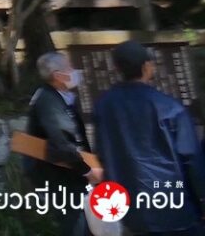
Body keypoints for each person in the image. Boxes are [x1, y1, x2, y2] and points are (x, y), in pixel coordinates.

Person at [93, 41, 205, 235]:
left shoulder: (104, 106)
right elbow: (192, 159)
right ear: (147, 67)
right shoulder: (170, 107)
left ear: (117, 68)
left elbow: (101, 153)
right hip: (176, 207)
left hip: (132, 209)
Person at [25, 51, 101, 235]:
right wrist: (88, 171)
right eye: (70, 68)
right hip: (61, 178)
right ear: (58, 76)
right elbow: (63, 143)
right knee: (76, 225)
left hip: (68, 175)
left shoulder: (56, 97)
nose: (75, 71)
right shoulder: (48, 101)